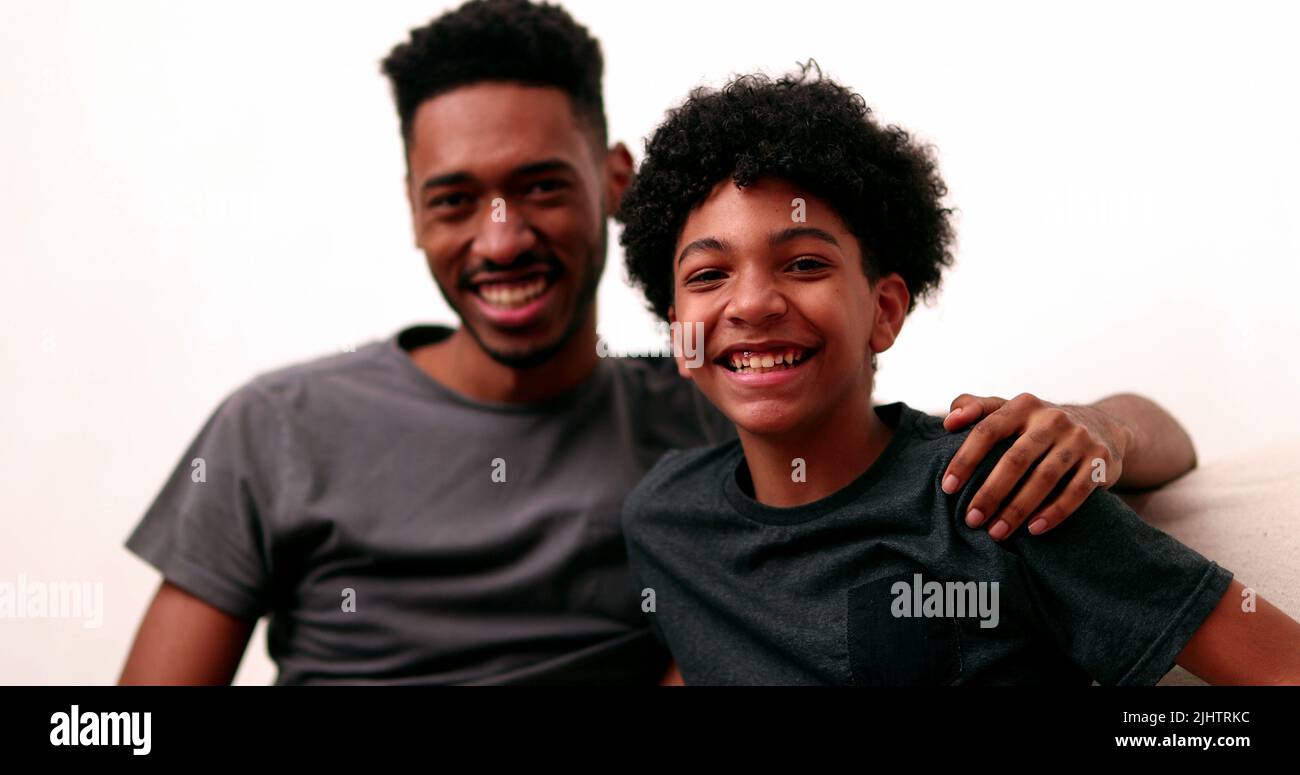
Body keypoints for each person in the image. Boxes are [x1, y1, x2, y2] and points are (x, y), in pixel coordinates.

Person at [120, 0, 1202, 685]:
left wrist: (1097, 431)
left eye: (540, 186)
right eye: (455, 200)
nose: (500, 238)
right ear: (412, 211)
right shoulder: (276, 427)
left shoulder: (722, 410)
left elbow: (1142, 450)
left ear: (616, 184)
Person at [617, 64, 1300, 685]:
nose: (753, 303)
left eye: (804, 264)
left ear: (883, 310)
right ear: (677, 331)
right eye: (708, 275)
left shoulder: (999, 488)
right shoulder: (666, 520)